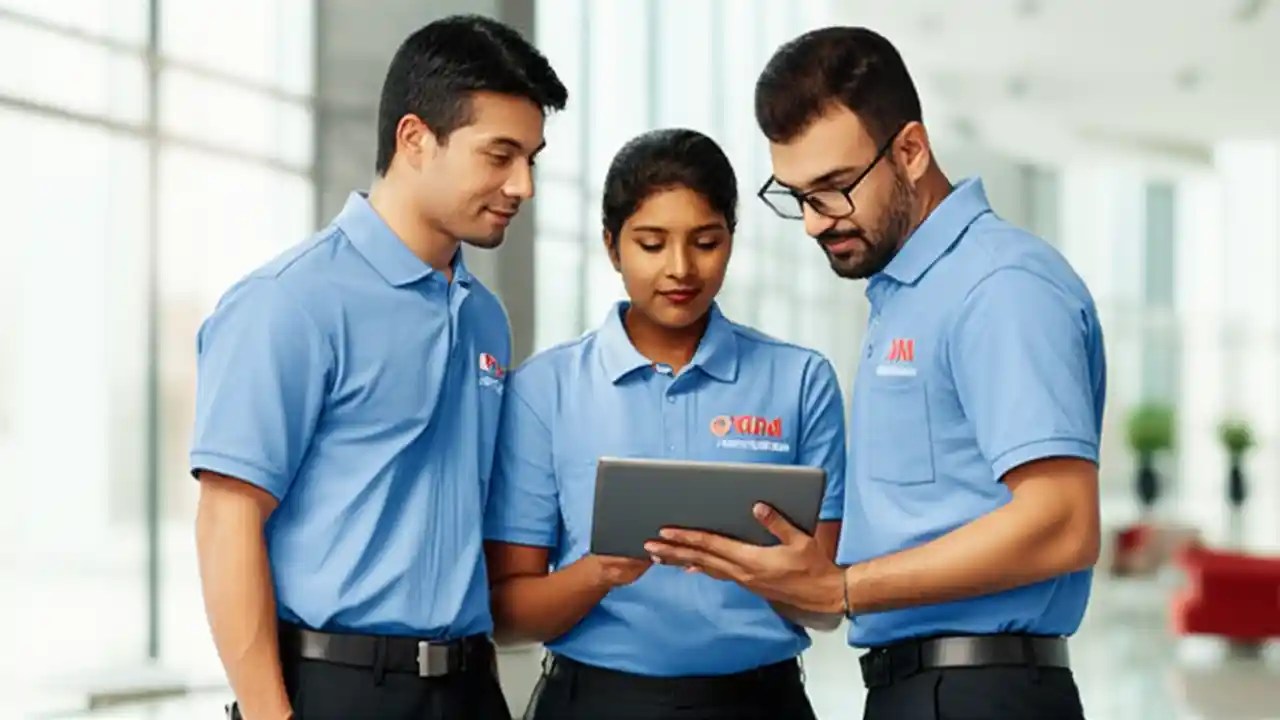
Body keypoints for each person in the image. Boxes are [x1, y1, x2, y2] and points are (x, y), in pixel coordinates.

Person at [646, 26, 1105, 720]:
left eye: (834, 188)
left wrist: (844, 587)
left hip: (980, 692)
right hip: (921, 689)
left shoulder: (999, 286)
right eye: (797, 195)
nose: (813, 222)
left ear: (911, 151)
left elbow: (1063, 522)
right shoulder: (908, 295)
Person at [190, 15, 566, 720]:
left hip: (471, 688)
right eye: (500, 155)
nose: (523, 185)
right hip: (335, 688)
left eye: (532, 159)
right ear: (416, 139)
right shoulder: (289, 303)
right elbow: (227, 521)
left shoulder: (484, 316)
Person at [482, 128, 846, 720]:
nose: (681, 269)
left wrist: (758, 569)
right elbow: (506, 616)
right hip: (597, 702)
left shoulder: (800, 381)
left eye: (706, 241)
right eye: (651, 244)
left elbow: (827, 603)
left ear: (731, 239)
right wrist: (599, 573)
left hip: (761, 703)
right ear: (611, 245)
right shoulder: (544, 390)